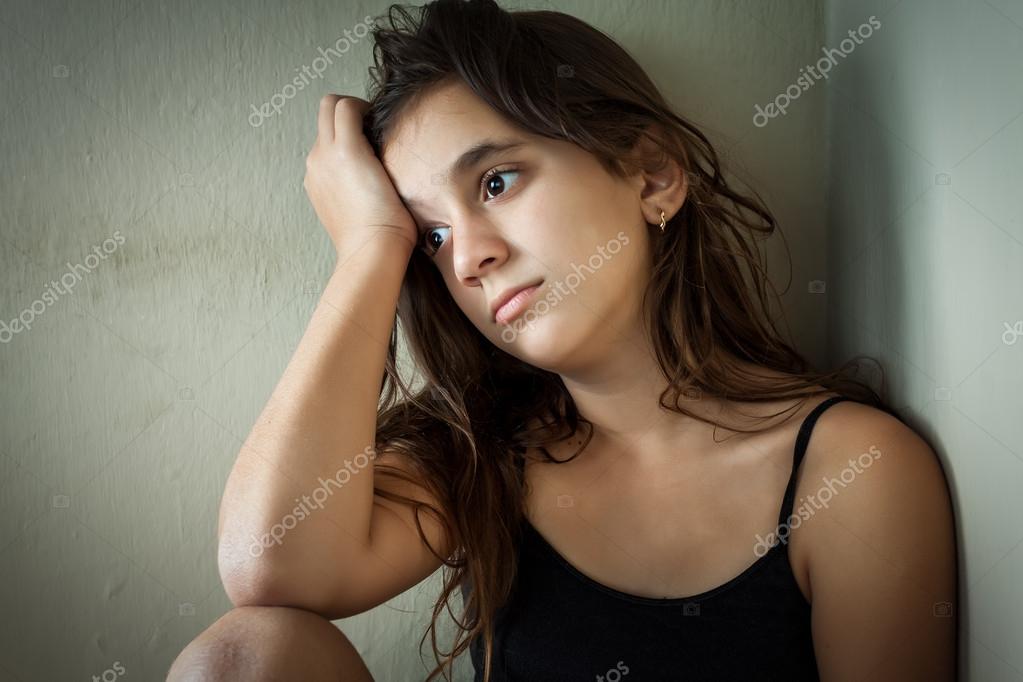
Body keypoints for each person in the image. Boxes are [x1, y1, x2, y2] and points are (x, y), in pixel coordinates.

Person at [168, 1, 958, 680]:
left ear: (651, 176)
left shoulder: (851, 469)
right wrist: (371, 247)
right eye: (432, 235)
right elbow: (270, 567)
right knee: (247, 656)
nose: (469, 254)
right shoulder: (479, 456)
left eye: (496, 182)